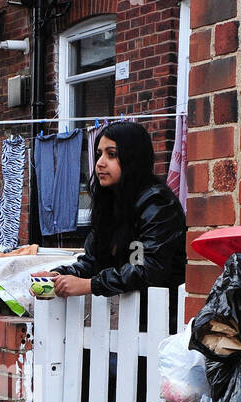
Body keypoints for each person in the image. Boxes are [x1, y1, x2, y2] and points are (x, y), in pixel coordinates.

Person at [32, 121, 186, 297]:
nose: (100, 163)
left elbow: (148, 268)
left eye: (111, 154)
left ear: (133, 158)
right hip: (125, 316)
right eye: (99, 155)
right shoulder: (110, 204)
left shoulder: (157, 204)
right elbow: (91, 261)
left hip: (162, 315)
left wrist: (91, 285)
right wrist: (59, 275)